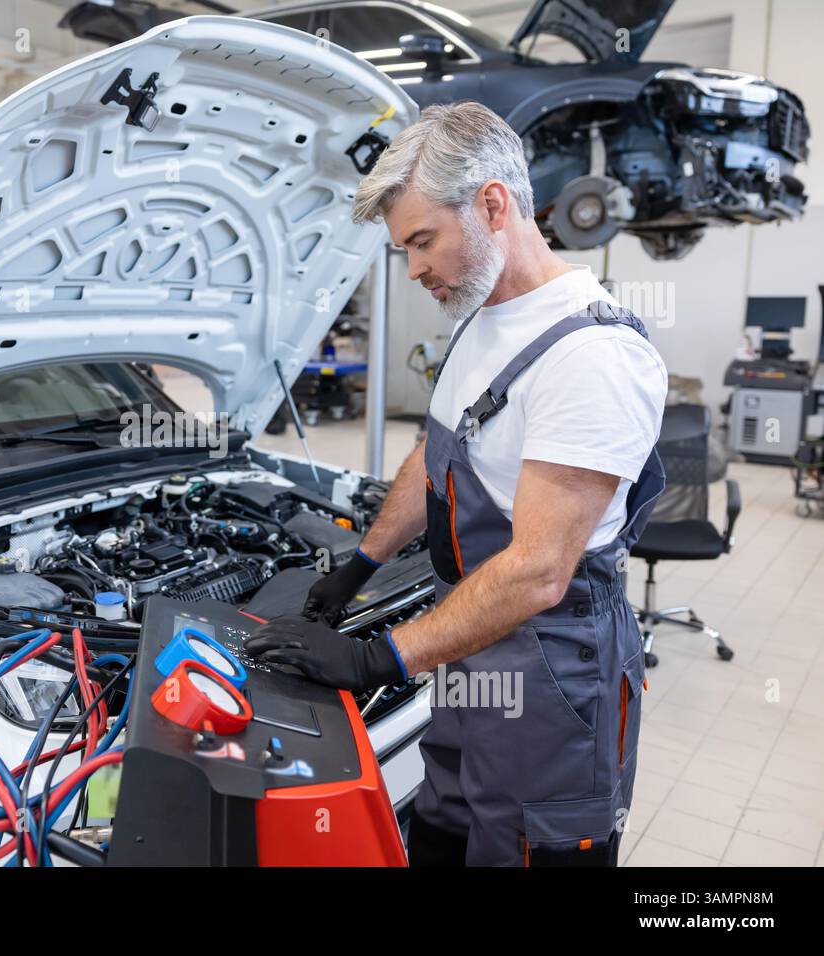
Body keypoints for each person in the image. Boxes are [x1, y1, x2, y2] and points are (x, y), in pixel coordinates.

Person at [244, 102, 667, 867]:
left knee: (526, 849)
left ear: (493, 204)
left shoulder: (590, 357)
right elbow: (437, 454)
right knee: (443, 829)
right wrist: (361, 565)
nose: (414, 269)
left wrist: (380, 661)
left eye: (421, 241)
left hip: (552, 671)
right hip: (469, 645)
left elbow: (539, 571)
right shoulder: (484, 319)